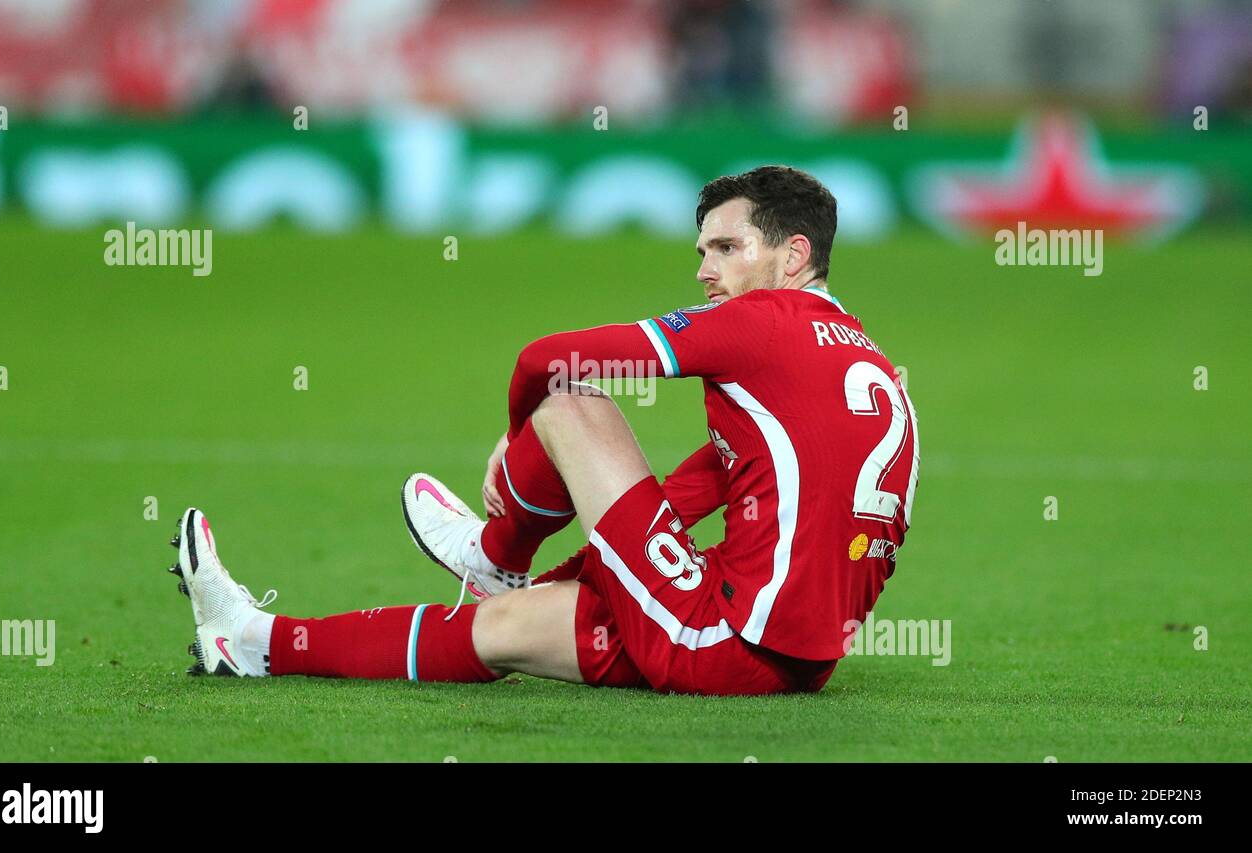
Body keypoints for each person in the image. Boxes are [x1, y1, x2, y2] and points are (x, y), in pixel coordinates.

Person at [166, 166, 920, 696]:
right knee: (502, 628)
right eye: (701, 251)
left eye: (726, 248)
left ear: (793, 255)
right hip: (789, 662)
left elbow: (547, 359)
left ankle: (494, 551)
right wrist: (606, 561)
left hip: (717, 635)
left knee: (568, 400)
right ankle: (255, 640)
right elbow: (729, 478)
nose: (704, 270)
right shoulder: (872, 362)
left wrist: (513, 440)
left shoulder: (761, 324)